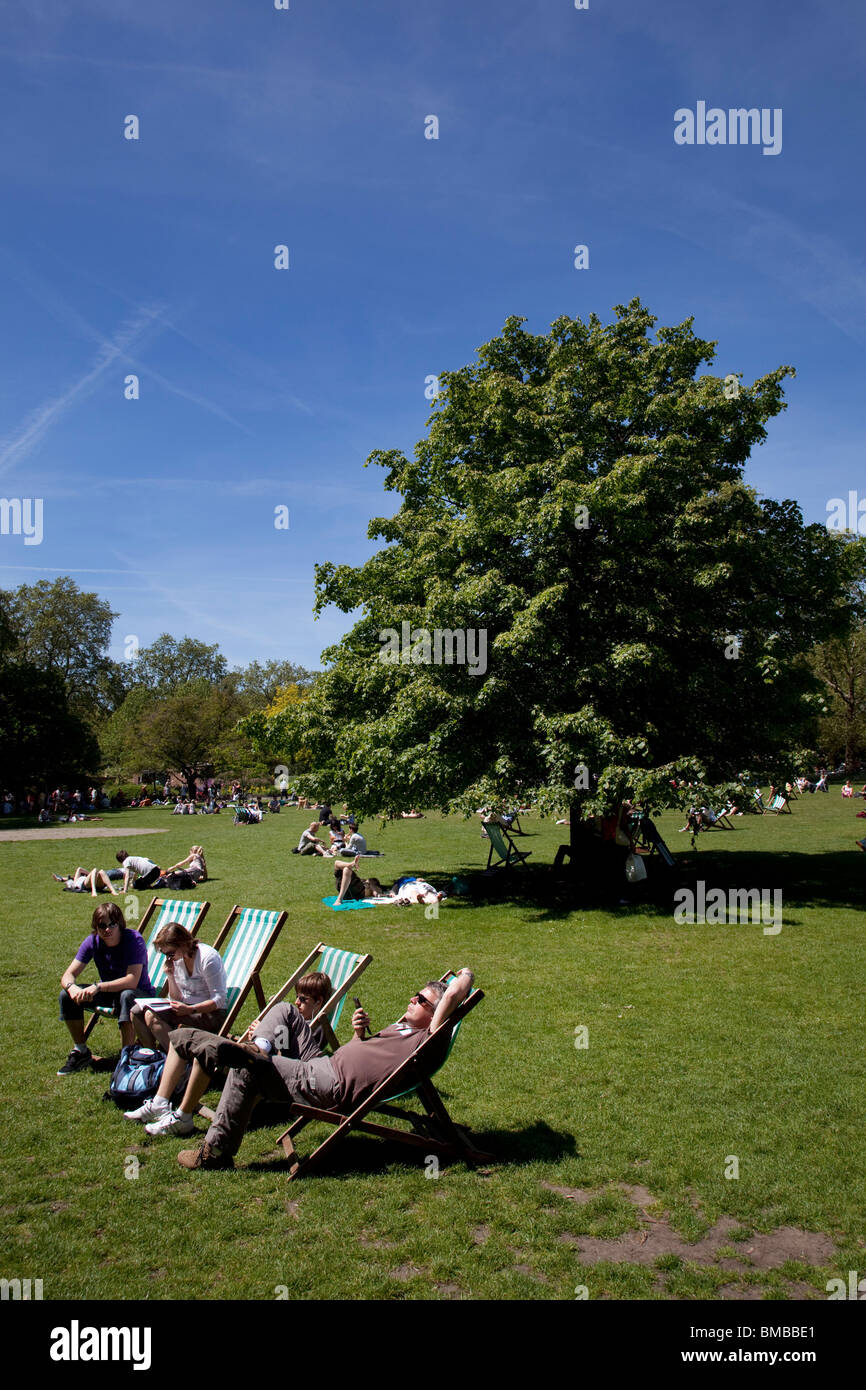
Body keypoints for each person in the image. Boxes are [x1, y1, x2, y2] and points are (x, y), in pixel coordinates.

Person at [172, 968, 475, 1170]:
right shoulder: (406, 1028)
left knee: (246, 1069)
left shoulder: (430, 1038)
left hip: (330, 1085)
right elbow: (373, 1060)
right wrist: (359, 1036)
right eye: (416, 995)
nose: (413, 999)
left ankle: (215, 1153)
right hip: (325, 1062)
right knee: (288, 1010)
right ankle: (259, 1047)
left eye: (422, 1000)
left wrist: (467, 974)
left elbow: (453, 993)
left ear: (438, 1014)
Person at [125, 971, 333, 1138]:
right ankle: (162, 1104)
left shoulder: (316, 1029)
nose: (297, 1002)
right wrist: (263, 1033)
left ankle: (182, 1116)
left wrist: (270, 1035)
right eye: (297, 997)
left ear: (318, 1002)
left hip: (270, 1073)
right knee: (181, 1037)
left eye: (303, 999)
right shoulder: (295, 1020)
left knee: (205, 1050)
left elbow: (289, 1059)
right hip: (256, 1057)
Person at [57, 903, 154, 1074]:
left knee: (126, 996)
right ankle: (81, 1050)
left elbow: (132, 981)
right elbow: (68, 975)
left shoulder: (133, 939)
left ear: (120, 924)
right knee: (66, 996)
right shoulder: (92, 941)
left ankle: (126, 1058)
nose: (107, 929)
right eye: (102, 925)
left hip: (139, 995)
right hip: (109, 993)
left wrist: (98, 987)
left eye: (112, 924)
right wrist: (73, 989)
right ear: (96, 926)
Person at [131, 922, 228, 1052]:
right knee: (136, 1011)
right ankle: (153, 1055)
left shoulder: (207, 958)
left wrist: (190, 1009)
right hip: (185, 1008)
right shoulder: (177, 959)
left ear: (183, 944)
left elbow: (219, 999)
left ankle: (177, 1060)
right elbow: (176, 997)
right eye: (164, 954)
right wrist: (170, 976)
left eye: (170, 953)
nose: (168, 958)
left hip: (210, 1013)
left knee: (151, 1016)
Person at [52, 866, 121, 896]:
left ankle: (113, 891)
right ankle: (93, 891)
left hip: (94, 882)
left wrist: (89, 874)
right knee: (95, 870)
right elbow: (79, 869)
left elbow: (80, 869)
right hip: (85, 885)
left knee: (102, 871)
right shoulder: (76, 881)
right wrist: (89, 874)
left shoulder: (85, 877)